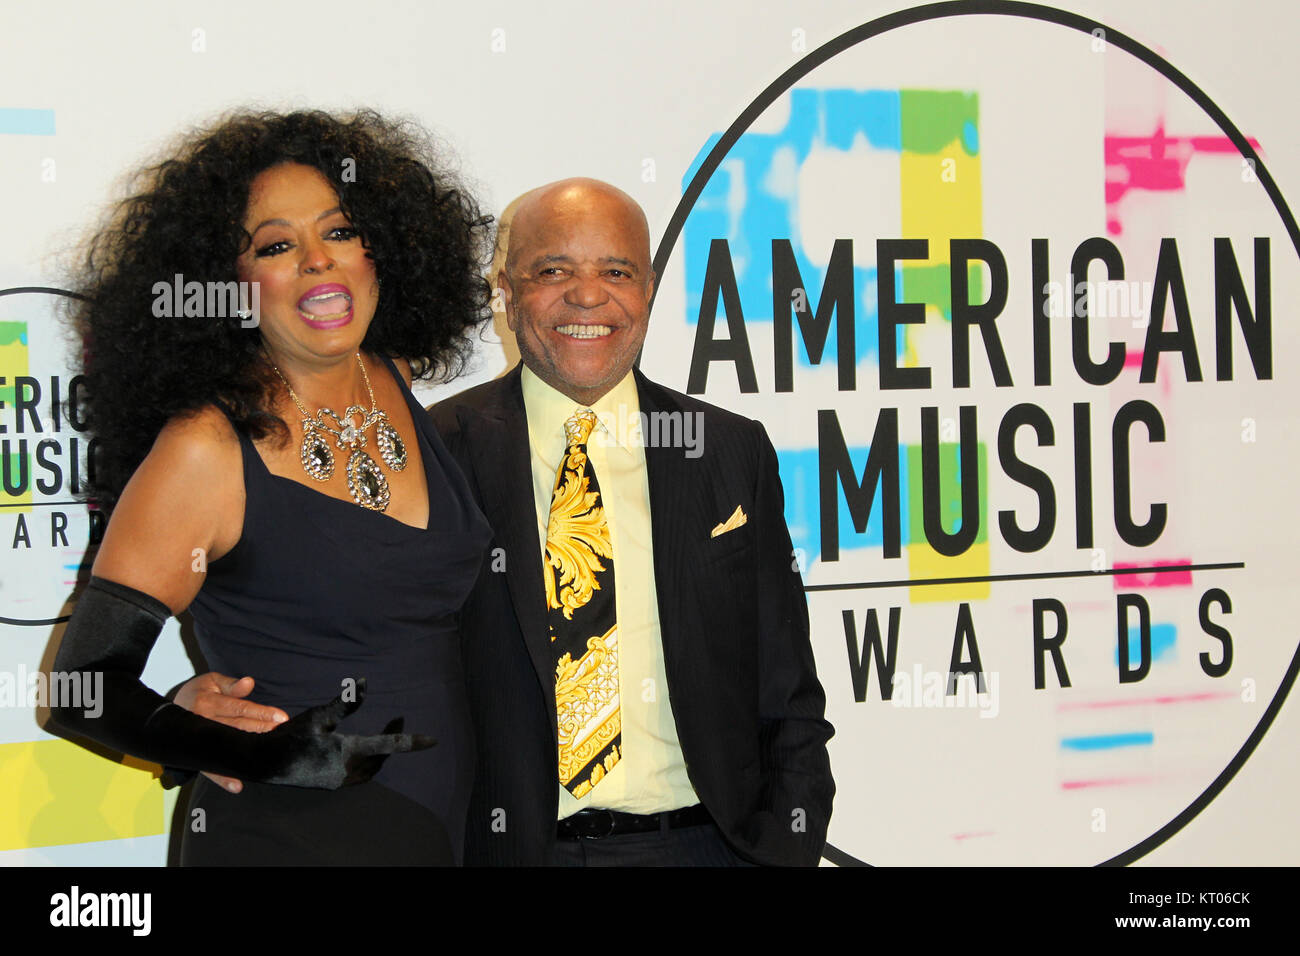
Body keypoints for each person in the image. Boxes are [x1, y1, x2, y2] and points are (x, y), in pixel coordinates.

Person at [185, 177, 835, 866]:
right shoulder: (425, 454)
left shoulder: (728, 450)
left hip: (710, 849)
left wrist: (785, 849)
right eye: (553, 271)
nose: (587, 295)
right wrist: (192, 710)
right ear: (506, 291)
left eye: (616, 271)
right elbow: (344, 632)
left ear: (648, 286)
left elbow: (787, 692)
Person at [47, 109, 493, 865]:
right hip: (285, 838)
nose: (320, 261)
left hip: (439, 828)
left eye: (342, 231)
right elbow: (81, 690)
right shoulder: (206, 448)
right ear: (228, 286)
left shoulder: (393, 376)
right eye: (277, 246)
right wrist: (205, 738)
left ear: (383, 248)